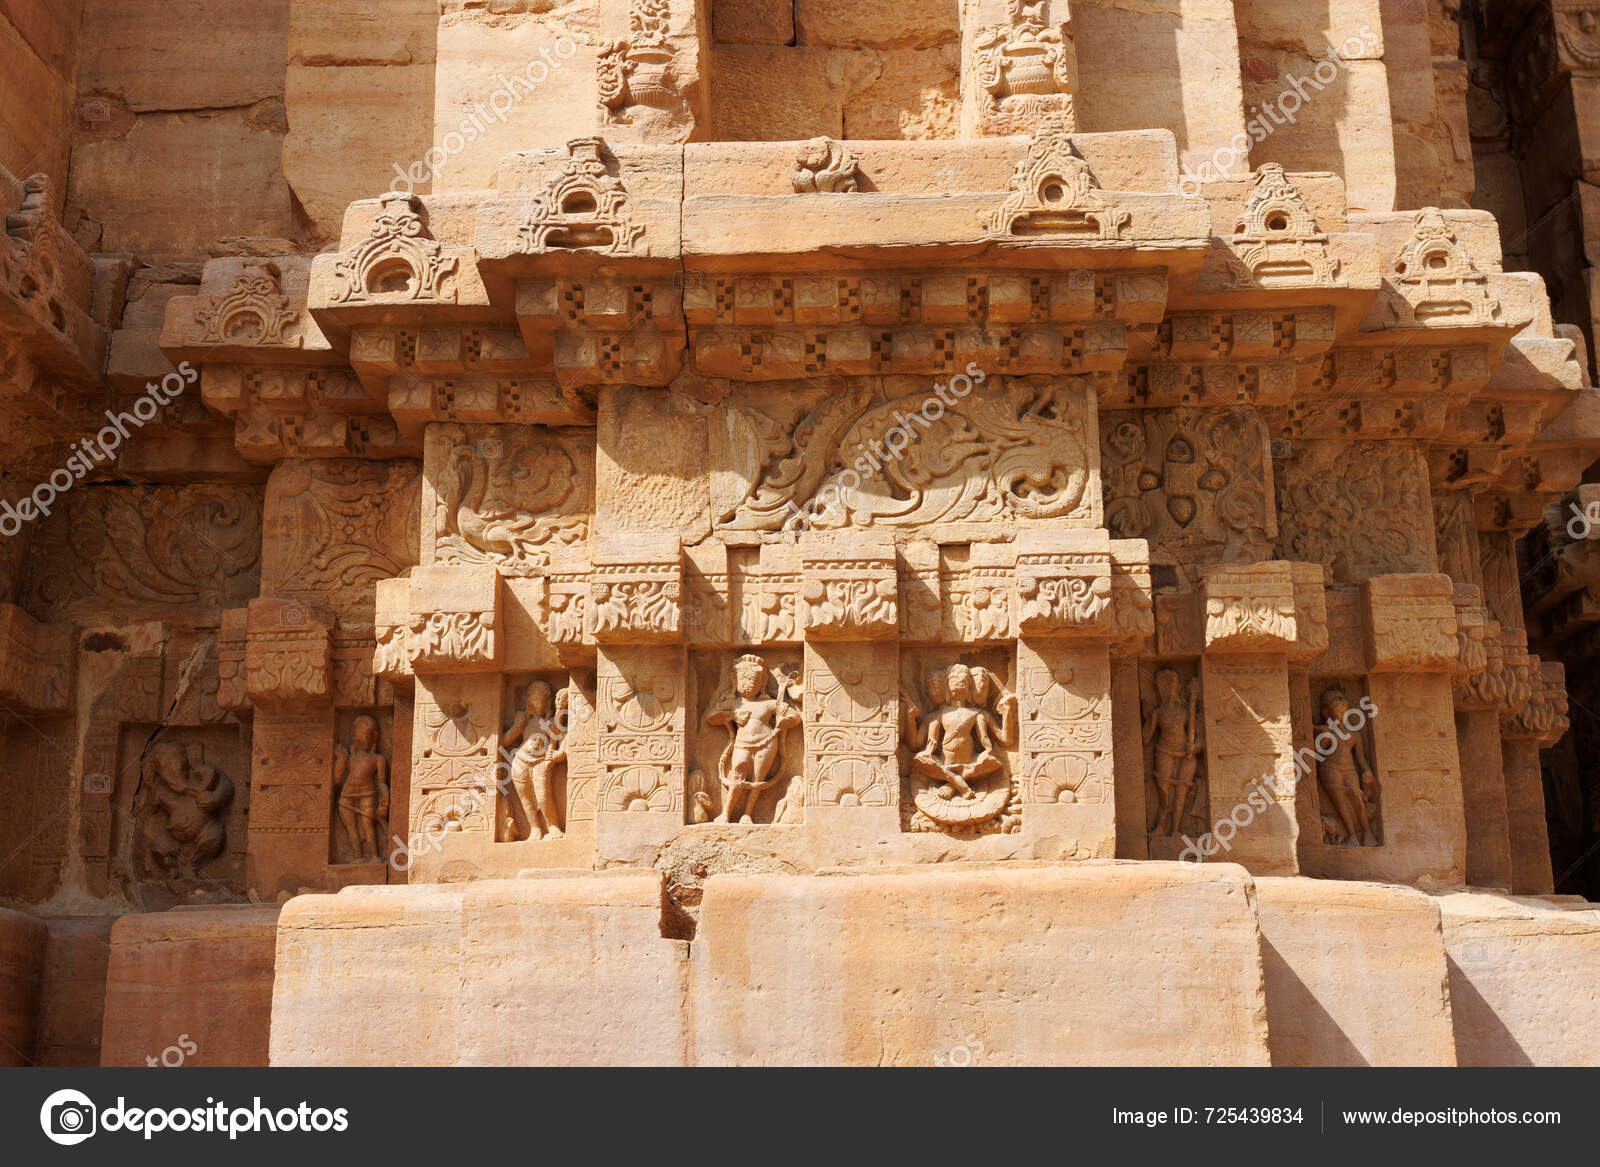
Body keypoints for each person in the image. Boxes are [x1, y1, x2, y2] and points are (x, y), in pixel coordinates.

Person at [706, 655, 801, 824]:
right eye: (743, 678)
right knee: (737, 775)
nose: (748, 683)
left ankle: (747, 814)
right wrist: (731, 715)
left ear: (762, 682)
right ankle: (726, 813)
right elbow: (711, 718)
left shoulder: (768, 703)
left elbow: (794, 717)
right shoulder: (733, 703)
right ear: (735, 680)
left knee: (757, 779)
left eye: (753, 679)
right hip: (742, 745)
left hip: (767, 742)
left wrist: (784, 721)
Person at [1143, 668, 1201, 836]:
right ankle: (1161, 825)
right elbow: (1146, 739)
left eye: (1174, 687)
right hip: (1164, 752)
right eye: (1167, 687)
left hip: (1185, 754)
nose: (1171, 691)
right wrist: (1148, 718)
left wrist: (1195, 746)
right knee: (1164, 793)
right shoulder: (1159, 713)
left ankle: (1176, 829)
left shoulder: (1185, 711)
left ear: (1178, 689)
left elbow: (1198, 734)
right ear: (1160, 689)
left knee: (1181, 794)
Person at [1318, 687, 1377, 847]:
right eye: (1336, 710)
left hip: (1349, 769)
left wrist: (1366, 770)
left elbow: (1360, 757)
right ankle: (1352, 836)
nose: (1340, 713)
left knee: (1357, 797)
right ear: (1326, 712)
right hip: (1330, 769)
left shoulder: (1354, 734)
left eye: (1344, 710)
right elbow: (1319, 752)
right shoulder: (1327, 731)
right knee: (1341, 804)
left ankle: (1368, 833)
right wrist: (1326, 736)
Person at [334, 716, 389, 861]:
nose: (365, 738)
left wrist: (385, 796)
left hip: (367, 793)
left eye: (368, 734)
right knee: (352, 829)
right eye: (362, 734)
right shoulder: (349, 758)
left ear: (374, 738)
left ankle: (375, 856)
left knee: (368, 826)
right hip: (346, 795)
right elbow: (337, 780)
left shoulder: (378, 759)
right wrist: (341, 760)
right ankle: (358, 857)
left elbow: (382, 783)